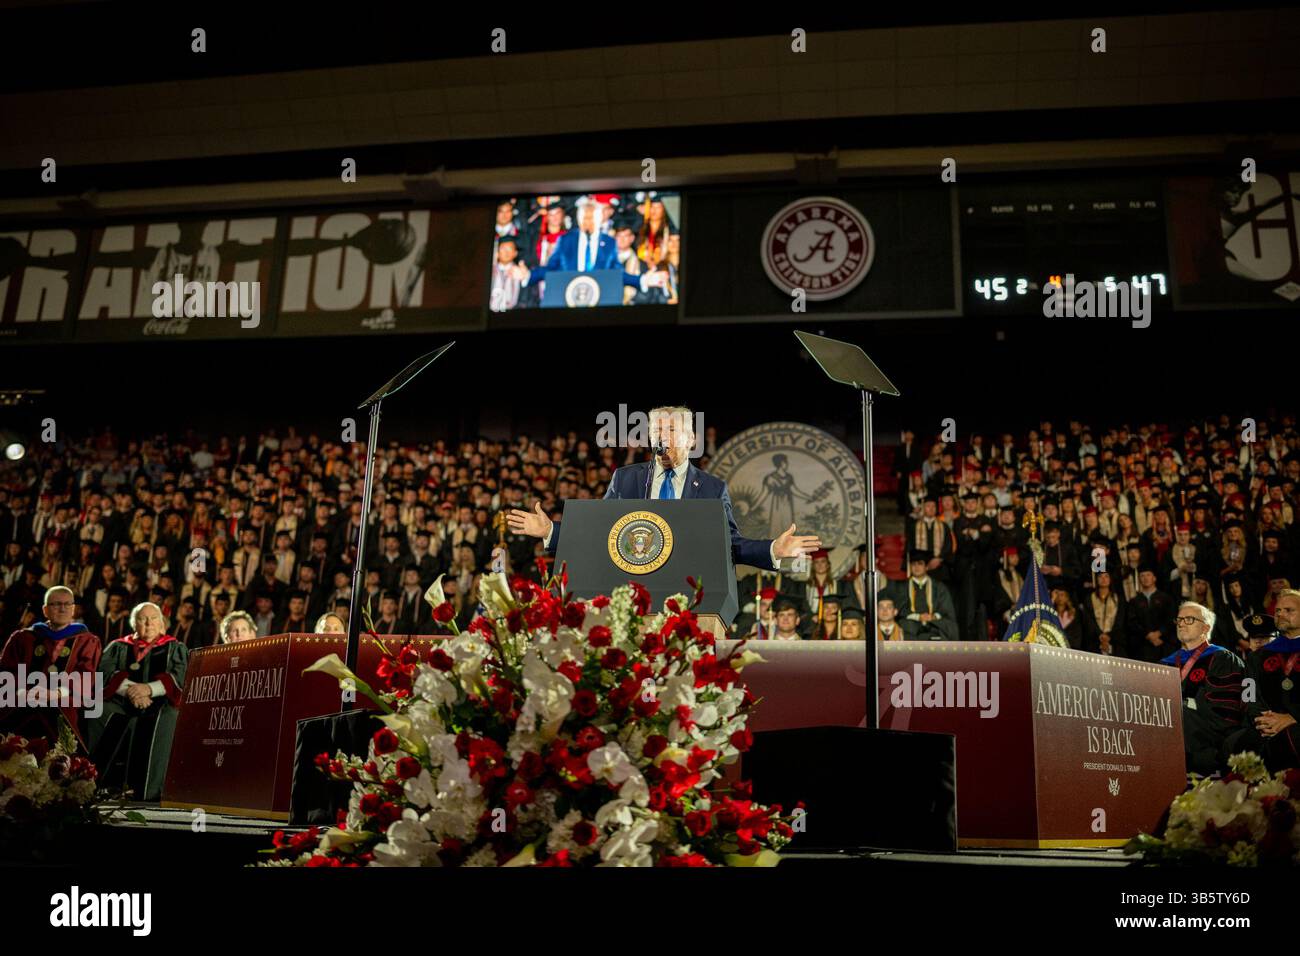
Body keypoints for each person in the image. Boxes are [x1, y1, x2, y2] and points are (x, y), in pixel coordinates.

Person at [508, 406, 820, 572]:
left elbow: (730, 545)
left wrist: (770, 551)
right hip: (630, 587)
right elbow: (600, 533)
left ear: (691, 440)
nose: (663, 435)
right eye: (657, 429)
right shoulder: (626, 479)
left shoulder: (711, 489)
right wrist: (553, 531)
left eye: (671, 429)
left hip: (689, 594)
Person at [86, 602, 188, 801]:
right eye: (142, 619)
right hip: (121, 702)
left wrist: (148, 689)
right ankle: (93, 784)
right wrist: (132, 692)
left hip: (159, 702)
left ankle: (149, 791)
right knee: (96, 710)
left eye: (153, 619)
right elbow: (104, 674)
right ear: (134, 623)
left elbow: (181, 676)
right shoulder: (118, 646)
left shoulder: (175, 647)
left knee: (169, 717)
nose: (148, 624)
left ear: (162, 624)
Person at [0, 585, 103, 745]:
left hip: (63, 699)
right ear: (45, 610)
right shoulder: (23, 638)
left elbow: (85, 675)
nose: (62, 609)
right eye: (56, 604)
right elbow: (7, 671)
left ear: (73, 609)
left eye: (67, 604)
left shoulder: (87, 641)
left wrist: (56, 693)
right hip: (24, 697)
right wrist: (22, 691)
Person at [1160, 601, 1245, 776]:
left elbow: (1225, 711)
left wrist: (1185, 705)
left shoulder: (1221, 658)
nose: (1182, 623)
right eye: (1179, 619)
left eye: (1189, 619)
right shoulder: (1166, 663)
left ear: (1205, 628)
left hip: (1208, 740)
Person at [1234, 589, 1300, 771]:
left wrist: (1292, 718)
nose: (1281, 614)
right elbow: (1249, 696)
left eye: (1289, 610)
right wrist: (1266, 721)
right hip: (1266, 729)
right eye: (1278, 611)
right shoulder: (1257, 657)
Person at [899, 549, 958, 641]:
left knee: (949, 626)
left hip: (934, 623)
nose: (916, 567)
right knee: (904, 625)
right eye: (913, 564)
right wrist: (918, 617)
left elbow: (946, 609)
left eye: (920, 564)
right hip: (912, 623)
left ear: (926, 567)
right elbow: (899, 610)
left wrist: (933, 616)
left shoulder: (939, 587)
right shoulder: (902, 587)